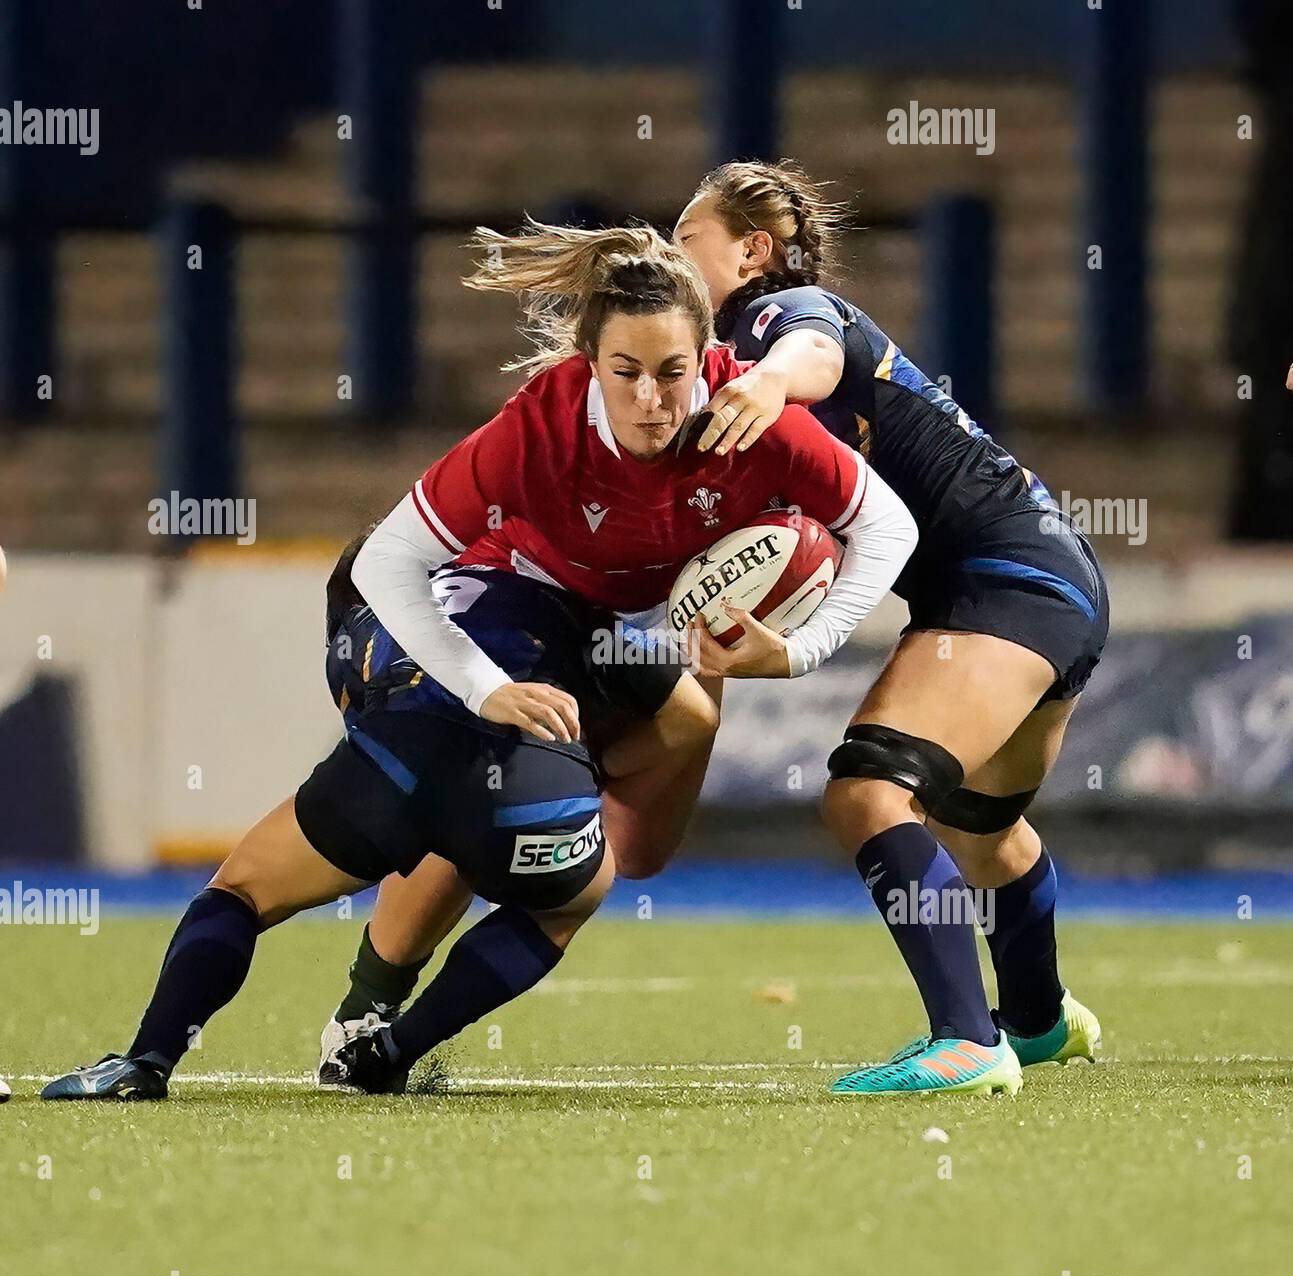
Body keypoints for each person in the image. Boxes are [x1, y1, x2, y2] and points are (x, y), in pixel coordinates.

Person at [45, 222, 915, 1100]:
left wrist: (798, 651)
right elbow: (387, 563)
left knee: (256, 883)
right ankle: (379, 1027)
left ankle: (147, 1061)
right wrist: (486, 687)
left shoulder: (746, 415)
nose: (651, 398)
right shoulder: (539, 426)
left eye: (672, 371)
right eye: (625, 372)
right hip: (468, 624)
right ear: (587, 361)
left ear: (709, 358)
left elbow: (887, 525)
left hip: (556, 646)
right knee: (555, 876)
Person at [674, 159, 1108, 1095]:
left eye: (686, 238)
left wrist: (768, 383)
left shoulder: (772, 321)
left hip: (1006, 582)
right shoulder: (723, 365)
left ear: (752, 251)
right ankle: (1037, 1021)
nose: (674, 257)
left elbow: (814, 347)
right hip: (1041, 581)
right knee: (981, 831)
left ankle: (966, 1040)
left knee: (867, 793)